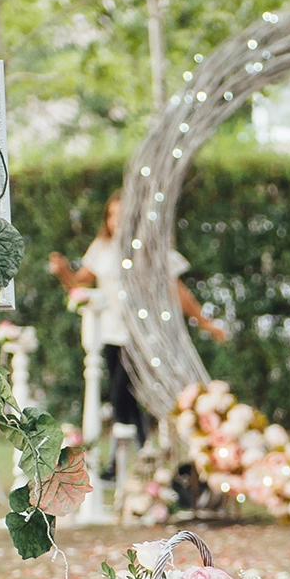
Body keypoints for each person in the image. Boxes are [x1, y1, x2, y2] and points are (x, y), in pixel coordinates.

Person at [49, 191, 225, 451]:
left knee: (124, 391)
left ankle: (128, 454)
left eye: (121, 216)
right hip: (109, 332)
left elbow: (176, 289)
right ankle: (141, 449)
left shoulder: (150, 249)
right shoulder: (102, 249)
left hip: (141, 333)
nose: (114, 221)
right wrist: (64, 272)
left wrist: (203, 321)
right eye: (110, 216)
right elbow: (79, 283)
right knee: (124, 395)